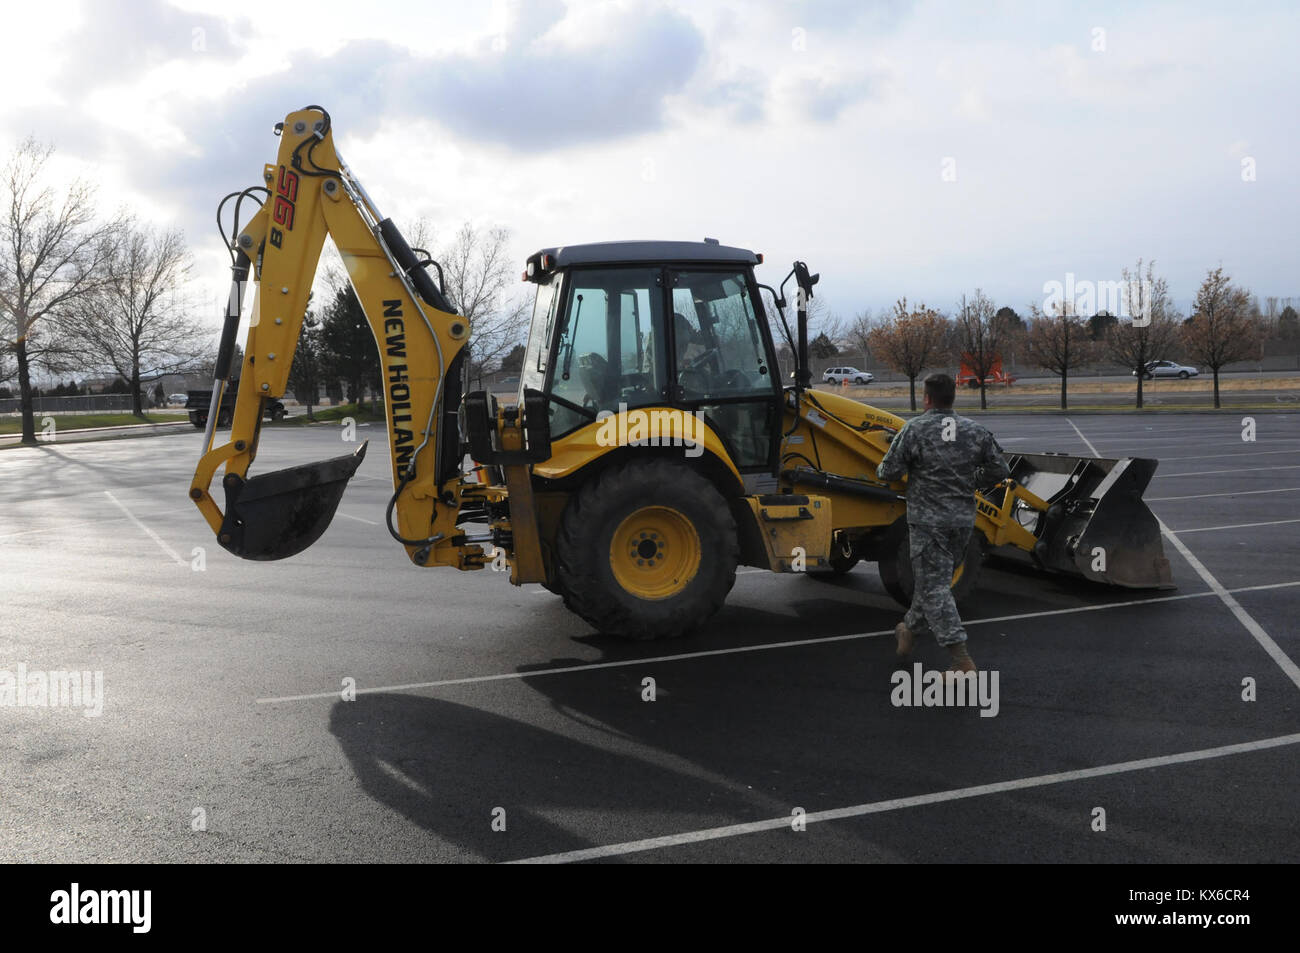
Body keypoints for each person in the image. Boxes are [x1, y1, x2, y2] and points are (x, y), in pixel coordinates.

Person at [876, 373, 1009, 673]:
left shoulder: (915, 429)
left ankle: (960, 658)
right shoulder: (974, 431)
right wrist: (971, 479)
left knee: (934, 588)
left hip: (928, 524)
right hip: (962, 523)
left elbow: (889, 472)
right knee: (932, 584)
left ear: (926, 398)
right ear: (953, 396)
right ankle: (908, 629)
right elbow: (1001, 469)